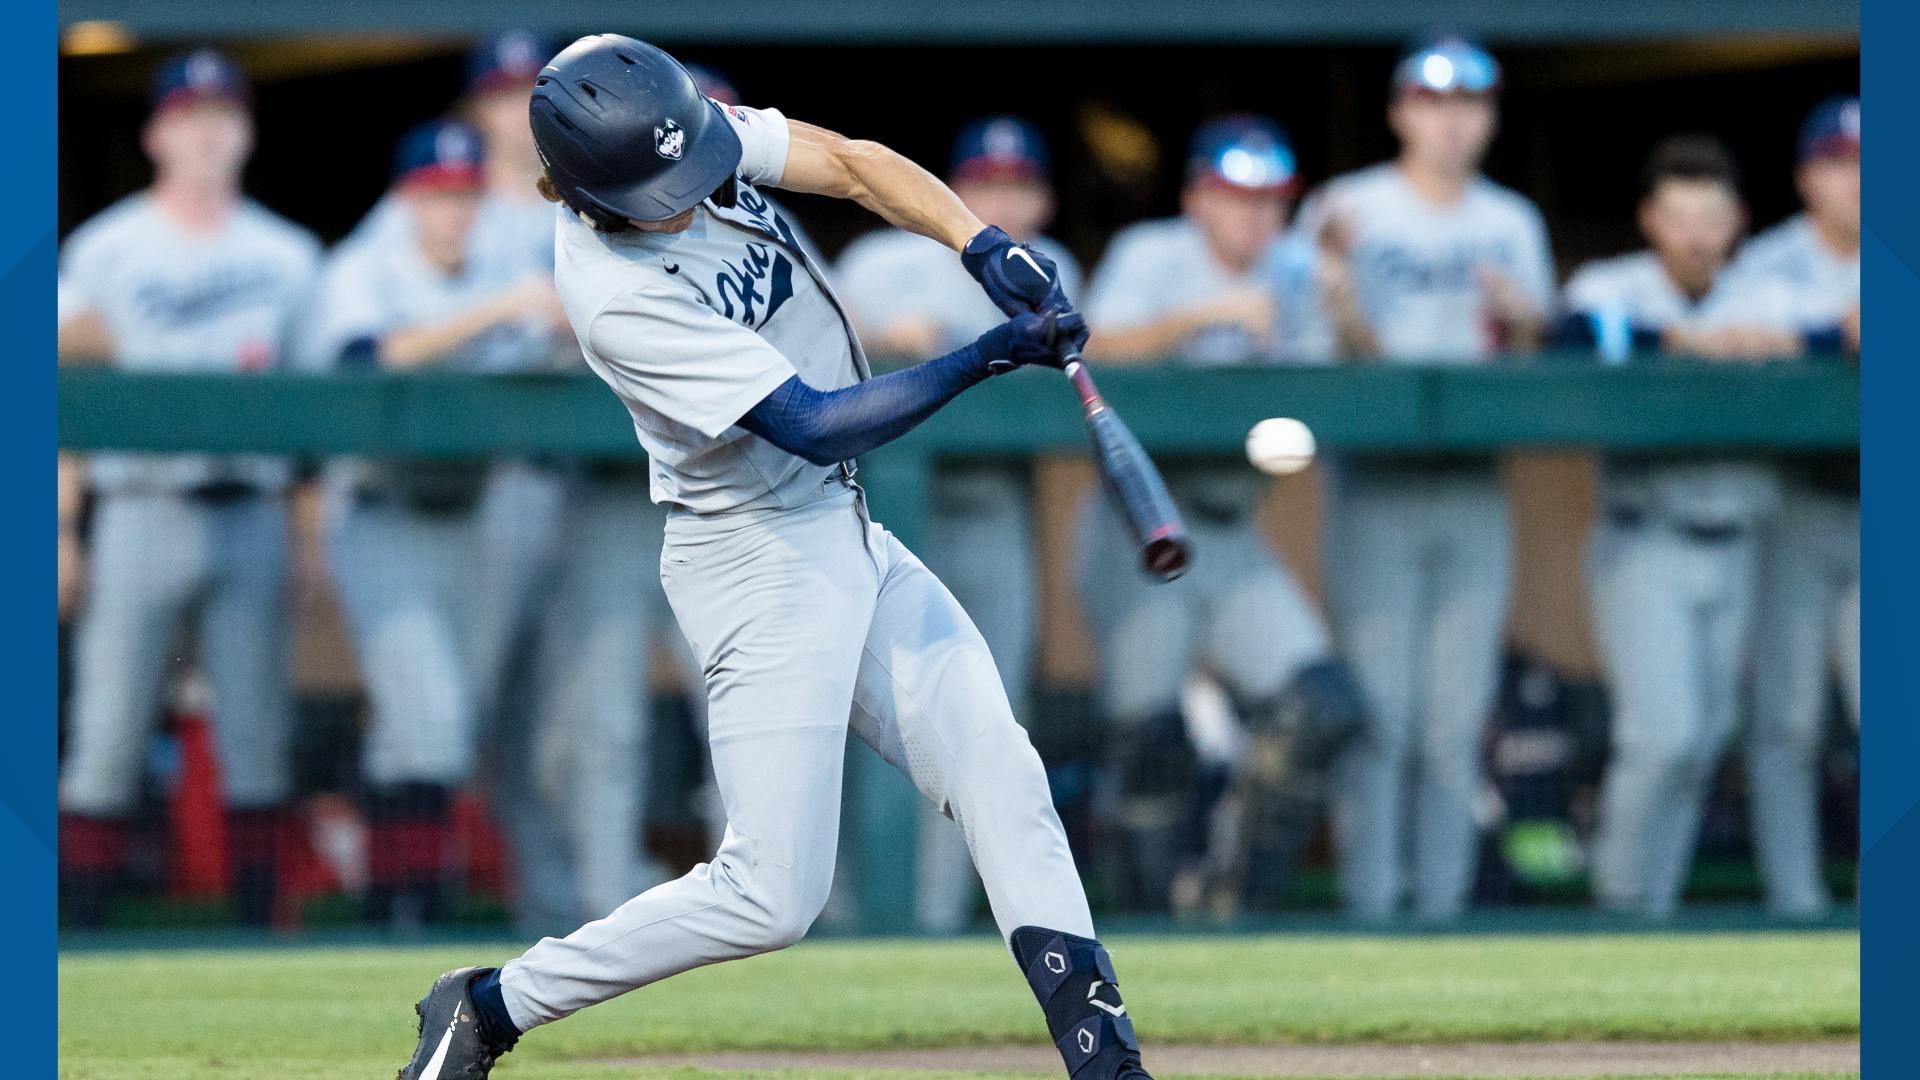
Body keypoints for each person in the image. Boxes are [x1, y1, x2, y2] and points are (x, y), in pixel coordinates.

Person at [395, 35, 1158, 1080]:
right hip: (755, 559)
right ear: (590, 193)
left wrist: (981, 245)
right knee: (771, 895)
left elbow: (848, 163)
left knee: (1000, 765)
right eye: (662, 194)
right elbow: (812, 423)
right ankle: (491, 1005)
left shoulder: (681, 134)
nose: (692, 196)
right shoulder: (613, 294)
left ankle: (1107, 1061)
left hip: (840, 525)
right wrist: (987, 354)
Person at [1287, 34, 1554, 921]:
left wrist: (1525, 325)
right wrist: (1341, 307)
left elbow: (1533, 369)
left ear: (1490, 116)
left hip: (1473, 484)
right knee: (1383, 718)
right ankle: (1371, 910)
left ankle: (1441, 917)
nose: (1452, 121)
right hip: (1374, 484)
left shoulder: (1512, 221)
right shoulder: (1349, 206)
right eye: (1434, 102)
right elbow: (1308, 354)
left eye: (1469, 103)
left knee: (1453, 724)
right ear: (1402, 111)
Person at [56, 49, 321, 927]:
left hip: (252, 508)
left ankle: (262, 939)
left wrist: (309, 533)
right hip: (139, 506)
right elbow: (64, 404)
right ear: (155, 134)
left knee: (257, 740)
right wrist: (61, 529)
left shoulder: (288, 255)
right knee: (105, 734)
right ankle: (79, 940)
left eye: (223, 116)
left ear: (245, 132)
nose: (208, 134)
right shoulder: (103, 249)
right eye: (189, 117)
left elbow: (323, 419)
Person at [1077, 114, 1356, 914]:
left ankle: (1238, 904)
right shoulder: (1152, 254)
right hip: (1139, 525)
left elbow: (1335, 390)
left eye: (1270, 200)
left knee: (1320, 709)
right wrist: (1199, 318)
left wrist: (1342, 308)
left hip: (1232, 524)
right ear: (1198, 198)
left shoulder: (1301, 269)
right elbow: (1087, 350)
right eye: (1237, 197)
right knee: (1150, 744)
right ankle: (1144, 933)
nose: (1257, 215)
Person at [306, 118, 569, 926]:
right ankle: (407, 907)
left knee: (429, 727)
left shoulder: (504, 269)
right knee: (434, 723)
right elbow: (364, 360)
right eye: (437, 196)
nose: (453, 211)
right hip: (380, 513)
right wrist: (495, 312)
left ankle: (395, 910)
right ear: (406, 201)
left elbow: (558, 351)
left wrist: (562, 320)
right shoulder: (364, 267)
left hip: (471, 516)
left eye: (464, 196)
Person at [835, 115, 1081, 933]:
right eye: (986, 183)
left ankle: (934, 923)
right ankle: (838, 918)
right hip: (876, 506)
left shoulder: (1050, 267)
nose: (1002, 201)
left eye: (1019, 185)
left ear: (1043, 199)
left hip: (994, 502)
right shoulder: (880, 262)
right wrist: (879, 337)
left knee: (981, 720)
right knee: (858, 722)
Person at [1560, 135, 1796, 918]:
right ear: (1651, 221)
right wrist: (1679, 342)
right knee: (1660, 735)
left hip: (1737, 538)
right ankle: (1620, 903)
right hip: (1645, 535)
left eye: (1711, 218)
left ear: (1738, 222)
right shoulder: (1614, 285)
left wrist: (1794, 344)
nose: (1696, 236)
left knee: (1702, 743)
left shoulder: (1766, 294)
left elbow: (1841, 336)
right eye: (1680, 217)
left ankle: (1653, 910)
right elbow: (1567, 334)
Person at [1734, 95, 1861, 919]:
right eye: (1841, 163)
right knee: (1788, 722)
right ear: (1808, 177)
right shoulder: (1769, 262)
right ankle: (1793, 904)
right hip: (1796, 504)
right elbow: (1740, 344)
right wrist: (1830, 335)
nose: (1859, 181)